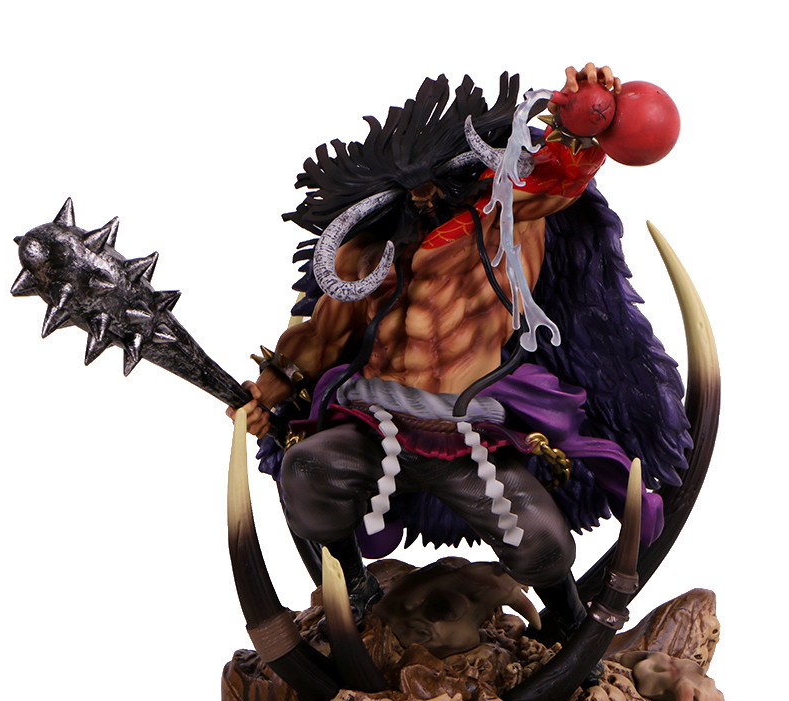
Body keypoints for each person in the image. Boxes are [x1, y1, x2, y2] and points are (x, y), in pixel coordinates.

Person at [228, 64, 681, 640]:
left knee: (540, 540)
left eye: (434, 181)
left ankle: (568, 624)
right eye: (409, 187)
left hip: (466, 428)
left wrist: (579, 117)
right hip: (373, 421)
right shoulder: (364, 254)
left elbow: (557, 176)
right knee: (309, 470)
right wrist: (264, 394)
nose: (423, 196)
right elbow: (318, 340)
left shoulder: (504, 222)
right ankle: (352, 587)